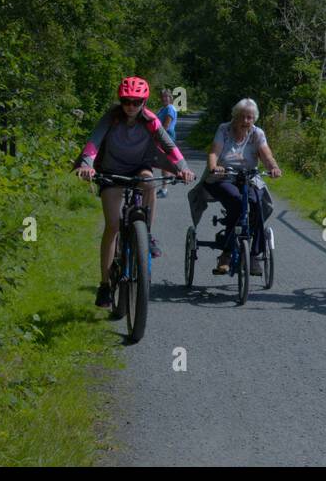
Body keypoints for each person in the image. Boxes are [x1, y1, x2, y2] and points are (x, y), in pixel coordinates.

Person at [74, 76, 194, 309]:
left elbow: (169, 146)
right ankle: (105, 285)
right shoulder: (111, 117)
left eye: (136, 102)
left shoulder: (150, 120)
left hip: (140, 166)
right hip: (111, 170)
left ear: (144, 102)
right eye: (126, 101)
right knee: (112, 226)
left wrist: (184, 169)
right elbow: (93, 142)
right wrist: (87, 164)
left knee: (148, 183)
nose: (131, 106)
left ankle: (145, 233)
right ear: (121, 100)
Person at [204, 98, 282, 276]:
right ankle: (226, 253)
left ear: (254, 119)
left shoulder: (257, 133)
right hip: (225, 176)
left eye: (250, 118)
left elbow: (266, 155)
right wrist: (214, 167)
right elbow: (214, 152)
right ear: (235, 117)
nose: (246, 121)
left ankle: (254, 255)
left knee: (256, 204)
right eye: (242, 117)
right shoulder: (224, 130)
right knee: (237, 202)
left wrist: (274, 167)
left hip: (248, 177)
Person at [155, 89, 179, 197]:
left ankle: (164, 189)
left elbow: (166, 125)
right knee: (163, 162)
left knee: (164, 163)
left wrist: (157, 137)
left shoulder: (170, 108)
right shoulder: (162, 109)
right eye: (163, 97)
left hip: (166, 137)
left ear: (170, 98)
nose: (164, 98)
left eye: (166, 96)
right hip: (161, 137)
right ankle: (175, 173)